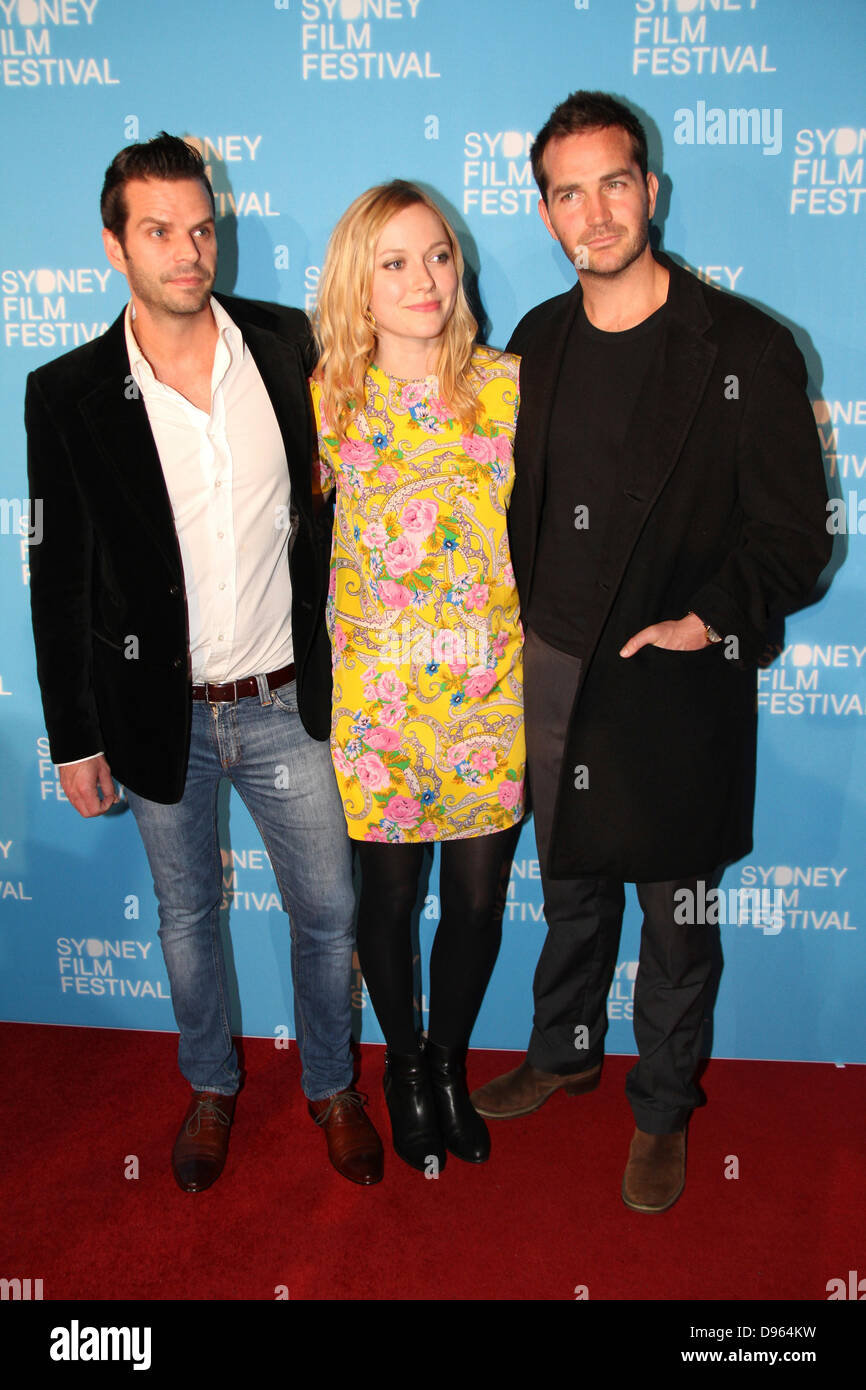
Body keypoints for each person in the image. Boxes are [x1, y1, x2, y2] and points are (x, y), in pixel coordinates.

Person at [470, 91, 831, 1211]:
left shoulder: (744, 348)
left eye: (612, 183)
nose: (594, 211)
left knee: (678, 919)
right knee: (569, 885)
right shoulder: (533, 341)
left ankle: (664, 1105)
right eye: (567, 192)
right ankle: (567, 1045)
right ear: (543, 212)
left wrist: (705, 619)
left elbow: (794, 537)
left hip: (672, 678)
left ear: (650, 190)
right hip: (555, 667)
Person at [26, 132, 383, 1192]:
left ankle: (331, 1086)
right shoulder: (67, 391)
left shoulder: (286, 346)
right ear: (113, 245)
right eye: (158, 231)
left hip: (283, 702)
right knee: (187, 917)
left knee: (331, 913)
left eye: (200, 227)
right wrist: (76, 734)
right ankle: (211, 1086)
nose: (188, 251)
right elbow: (60, 575)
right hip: (155, 712)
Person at [310, 180, 525, 1172]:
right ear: (359, 286)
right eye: (393, 262)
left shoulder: (509, 388)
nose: (423, 278)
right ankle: (400, 1064)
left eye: (436, 254)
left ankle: (444, 1061)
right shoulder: (325, 404)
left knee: (477, 902)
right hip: (379, 704)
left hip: (488, 692)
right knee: (386, 899)